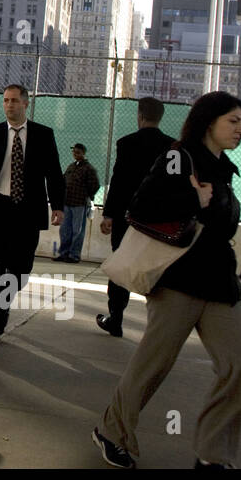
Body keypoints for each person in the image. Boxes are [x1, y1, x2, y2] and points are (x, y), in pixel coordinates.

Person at [92, 91, 241, 470]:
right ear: (209, 121)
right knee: (153, 364)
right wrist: (192, 201)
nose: (240, 129)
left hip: (219, 282)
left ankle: (213, 455)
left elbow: (224, 224)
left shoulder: (225, 168)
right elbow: (142, 207)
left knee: (239, 365)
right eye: (233, 121)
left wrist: (215, 206)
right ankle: (112, 433)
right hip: (179, 278)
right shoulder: (179, 158)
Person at [0, 84, 65, 345]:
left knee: (21, 269)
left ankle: (5, 298)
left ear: (26, 104)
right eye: (5, 101)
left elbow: (54, 172)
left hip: (28, 211)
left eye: (14, 101)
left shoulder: (43, 135)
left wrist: (58, 205)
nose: (9, 105)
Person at [96, 97, 173, 337]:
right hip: (159, 218)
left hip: (127, 216)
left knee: (122, 265)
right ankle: (160, 327)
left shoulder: (127, 143)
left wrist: (109, 214)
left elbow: (119, 181)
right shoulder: (173, 147)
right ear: (160, 117)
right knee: (158, 270)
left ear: (139, 116)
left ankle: (116, 317)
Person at [54, 143, 100, 264]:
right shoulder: (71, 167)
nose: (75, 154)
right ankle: (64, 253)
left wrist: (87, 195)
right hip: (67, 202)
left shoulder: (88, 169)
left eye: (78, 152)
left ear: (83, 153)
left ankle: (74, 255)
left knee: (77, 231)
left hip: (79, 203)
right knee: (65, 230)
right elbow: (64, 181)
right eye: (74, 152)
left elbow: (94, 186)